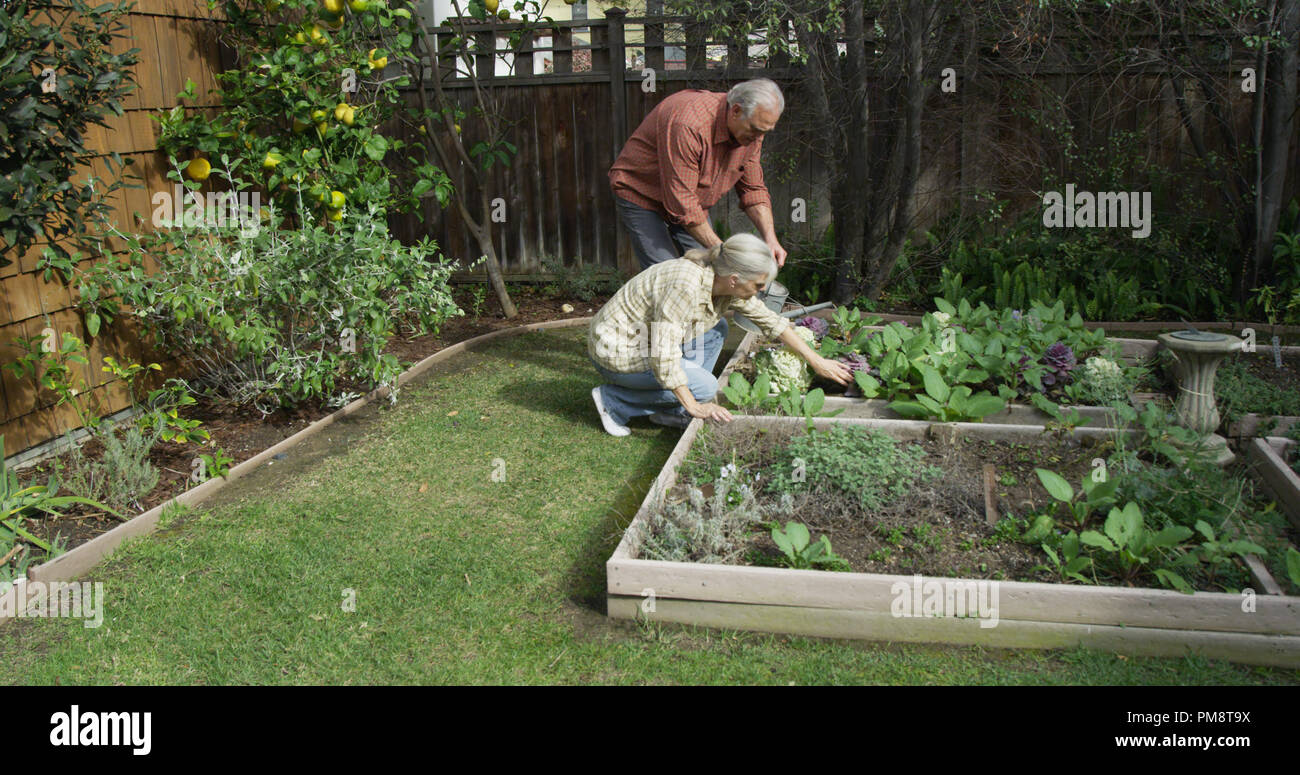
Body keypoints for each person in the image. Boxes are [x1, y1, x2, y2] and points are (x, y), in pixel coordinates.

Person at [588, 233, 849, 436]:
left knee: (717, 330)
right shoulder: (684, 286)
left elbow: (770, 321)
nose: (759, 291)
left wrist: (817, 361)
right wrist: (695, 404)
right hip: (617, 353)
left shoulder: (723, 281)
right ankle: (615, 401)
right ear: (735, 279)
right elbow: (663, 355)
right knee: (706, 387)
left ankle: (673, 410)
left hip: (642, 341)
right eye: (758, 285)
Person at [609, 79, 789, 271]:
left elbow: (753, 190)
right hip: (642, 192)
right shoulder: (689, 124)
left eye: (765, 132)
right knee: (667, 275)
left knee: (710, 271)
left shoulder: (751, 134)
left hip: (689, 202)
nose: (759, 138)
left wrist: (770, 239)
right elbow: (683, 203)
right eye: (756, 129)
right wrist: (727, 254)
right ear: (736, 111)